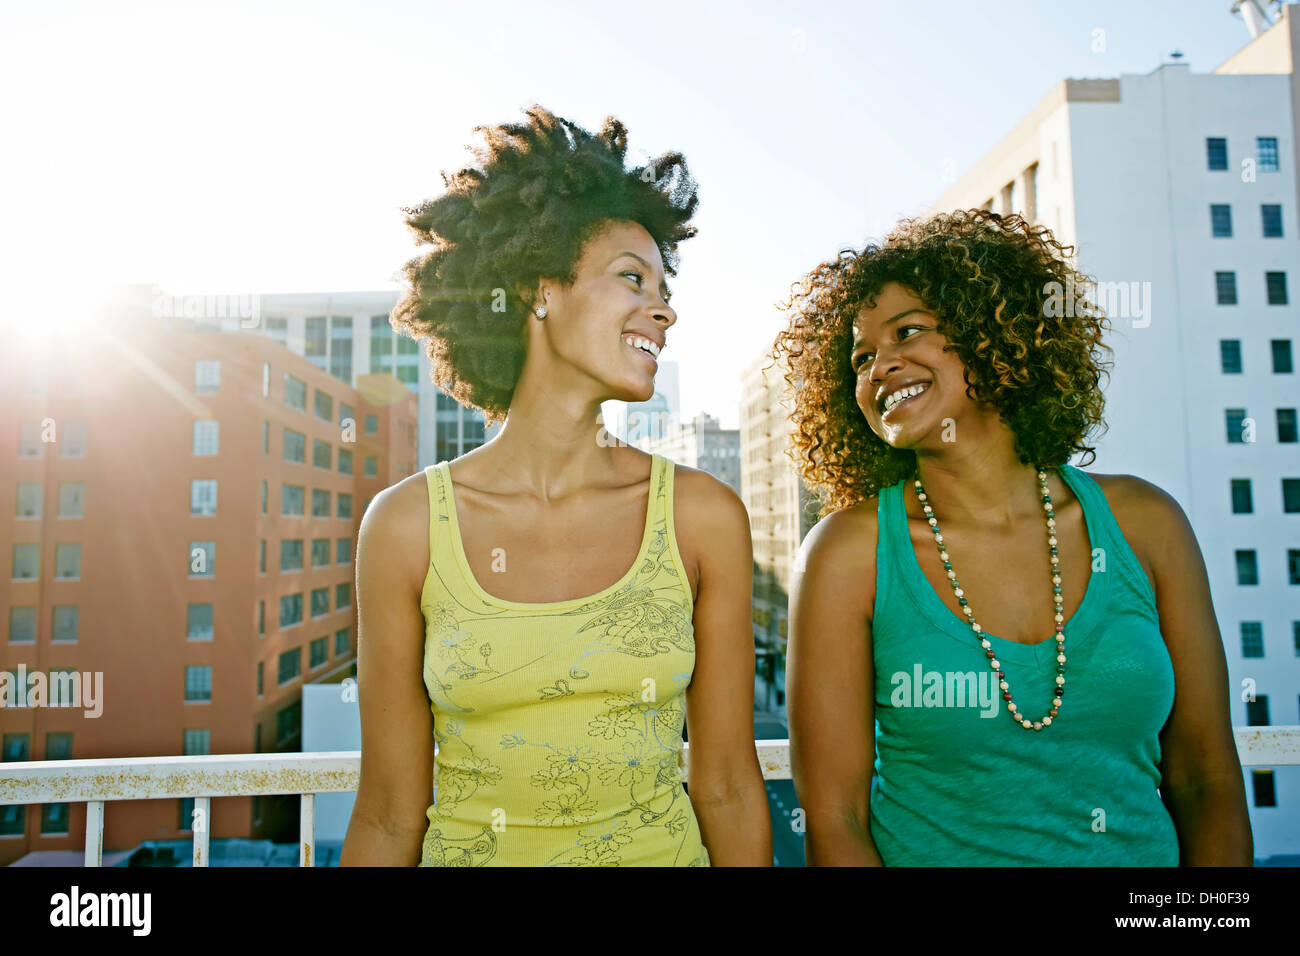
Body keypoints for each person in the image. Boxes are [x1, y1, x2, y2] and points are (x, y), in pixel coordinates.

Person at [339, 106, 771, 867]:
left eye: (665, 287)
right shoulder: (405, 527)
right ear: (541, 290)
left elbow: (730, 786)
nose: (664, 310)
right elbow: (385, 815)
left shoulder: (704, 518)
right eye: (632, 278)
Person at [778, 209, 1252, 866]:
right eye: (861, 358)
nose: (879, 367)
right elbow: (836, 818)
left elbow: (1207, 776)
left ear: (991, 333)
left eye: (907, 332)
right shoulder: (845, 555)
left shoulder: (1147, 523)